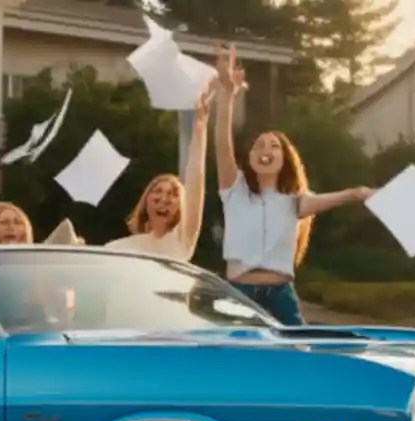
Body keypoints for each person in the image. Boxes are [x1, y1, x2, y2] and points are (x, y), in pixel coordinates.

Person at [212, 44, 375, 325]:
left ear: (284, 159)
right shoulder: (234, 191)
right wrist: (227, 95)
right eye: (259, 145)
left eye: (273, 146)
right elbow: (222, 147)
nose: (265, 149)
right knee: (236, 349)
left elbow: (335, 198)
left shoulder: (294, 202)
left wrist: (359, 193)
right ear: (249, 158)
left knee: (298, 347)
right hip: (240, 293)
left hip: (280, 295)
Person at [105, 81, 217, 262]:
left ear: (181, 206)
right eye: (157, 192)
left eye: (173, 194)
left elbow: (196, 179)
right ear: (146, 202)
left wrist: (200, 129)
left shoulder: (181, 240)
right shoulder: (120, 248)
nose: (164, 199)